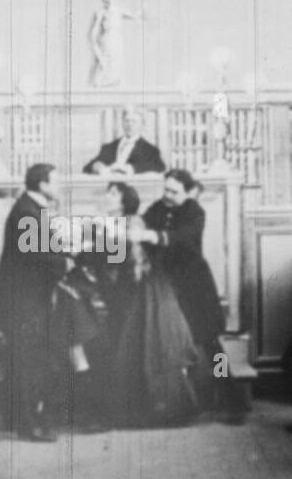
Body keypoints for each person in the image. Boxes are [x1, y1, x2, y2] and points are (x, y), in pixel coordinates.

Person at [98, 182, 201, 426]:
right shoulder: (112, 222)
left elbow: (128, 262)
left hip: (141, 291)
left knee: (145, 346)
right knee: (129, 346)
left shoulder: (132, 223)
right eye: (108, 193)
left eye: (114, 194)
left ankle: (155, 411)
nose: (108, 197)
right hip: (125, 289)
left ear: (125, 200)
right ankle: (134, 411)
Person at [0, 163, 73, 442]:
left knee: (20, 359)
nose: (59, 187)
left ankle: (13, 418)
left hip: (22, 296)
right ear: (42, 184)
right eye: (56, 181)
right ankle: (30, 426)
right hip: (24, 299)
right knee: (28, 361)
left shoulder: (29, 208)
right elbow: (41, 257)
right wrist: (69, 260)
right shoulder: (28, 212)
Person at [138, 169, 226, 408]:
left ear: (188, 193)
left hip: (195, 285)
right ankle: (184, 401)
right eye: (165, 189)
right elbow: (141, 225)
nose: (167, 195)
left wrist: (153, 235)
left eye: (173, 191)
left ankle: (230, 395)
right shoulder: (157, 208)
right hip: (167, 285)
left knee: (210, 342)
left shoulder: (195, 211)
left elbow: (183, 237)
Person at [83, 108, 166, 176]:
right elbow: (86, 168)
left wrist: (131, 169)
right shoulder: (108, 147)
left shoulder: (150, 150)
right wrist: (96, 166)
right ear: (122, 123)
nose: (129, 125)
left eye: (134, 121)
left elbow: (160, 167)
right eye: (127, 121)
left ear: (142, 125)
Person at [87, 0, 141, 88]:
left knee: (117, 59)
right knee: (105, 60)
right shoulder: (101, 12)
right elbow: (94, 30)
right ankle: (98, 83)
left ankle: (117, 80)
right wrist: (93, 39)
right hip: (107, 38)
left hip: (117, 38)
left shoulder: (118, 10)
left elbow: (131, 15)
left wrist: (138, 15)